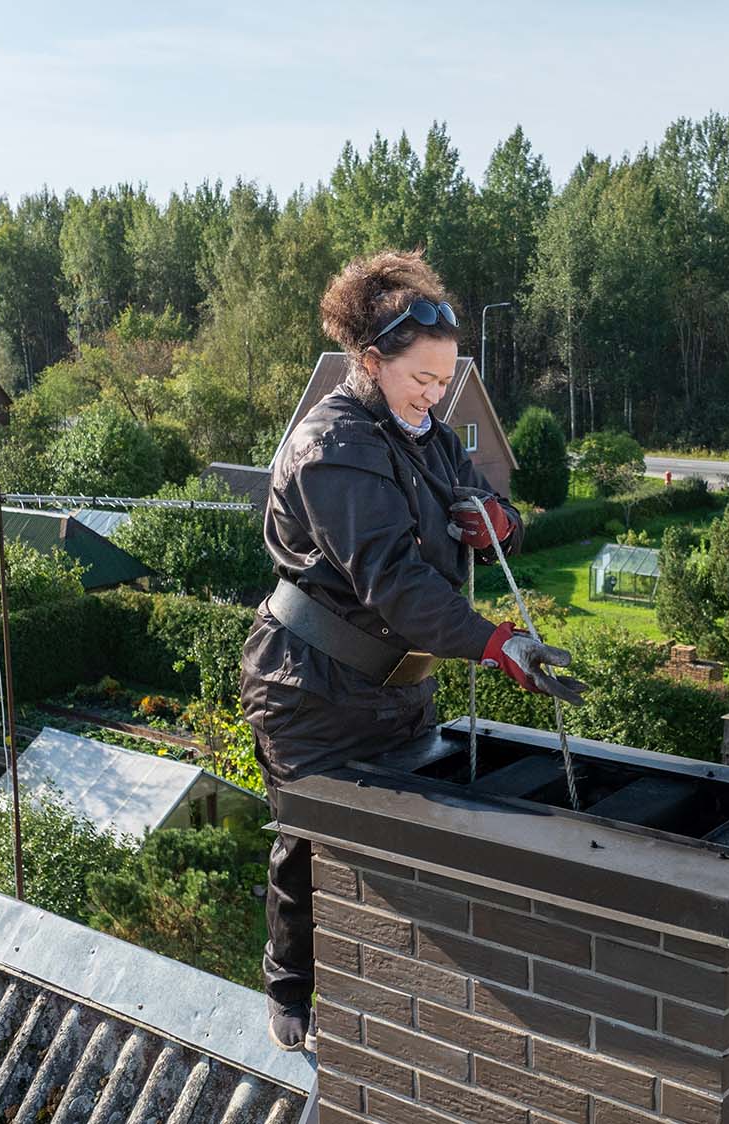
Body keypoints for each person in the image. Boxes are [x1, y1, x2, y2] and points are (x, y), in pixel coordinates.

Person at [240, 250, 587, 1052]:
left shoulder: (426, 434)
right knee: (311, 842)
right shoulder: (333, 447)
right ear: (370, 362)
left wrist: (499, 523)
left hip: (396, 689)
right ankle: (288, 984)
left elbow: (482, 496)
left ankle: (392, 988)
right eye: (421, 381)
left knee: (402, 846)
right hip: (311, 689)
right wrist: (493, 643)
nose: (435, 399)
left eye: (446, 383)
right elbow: (393, 581)